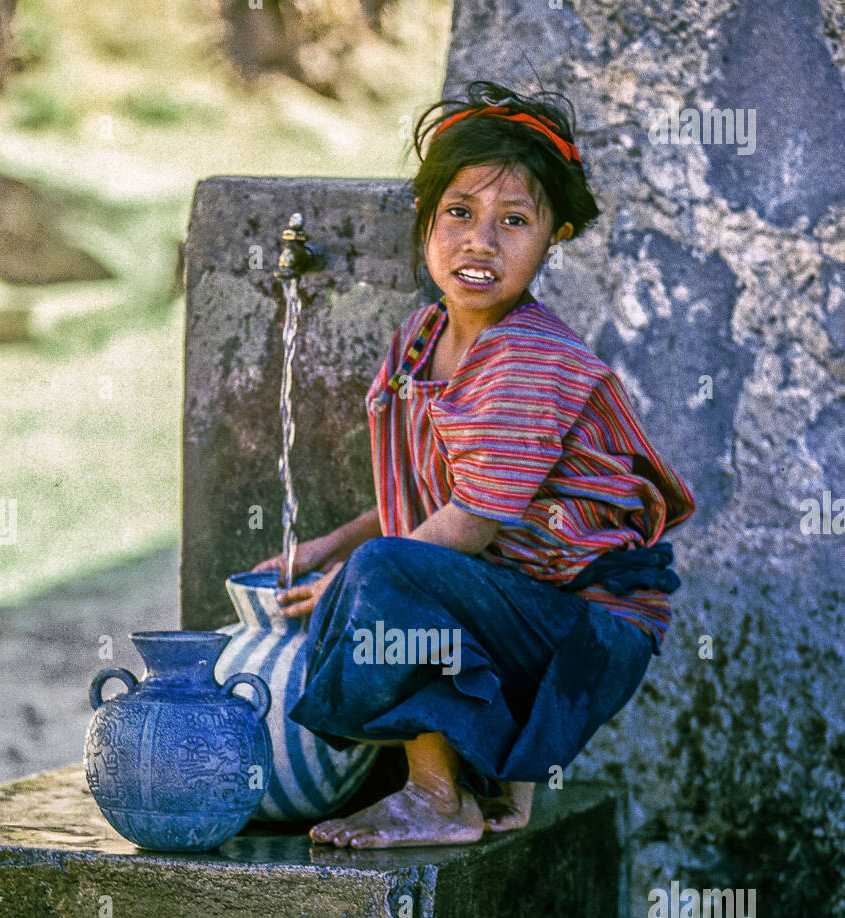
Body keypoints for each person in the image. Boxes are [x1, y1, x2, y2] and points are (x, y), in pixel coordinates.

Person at [252, 79, 695, 849]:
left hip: (589, 624)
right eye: (459, 212)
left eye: (514, 221)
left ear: (553, 237)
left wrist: (350, 579)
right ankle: (492, 782)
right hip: (531, 600)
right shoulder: (422, 339)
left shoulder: (526, 359)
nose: (481, 241)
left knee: (387, 579)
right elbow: (444, 498)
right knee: (384, 568)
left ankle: (435, 797)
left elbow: (473, 522)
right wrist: (333, 546)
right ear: (426, 220)